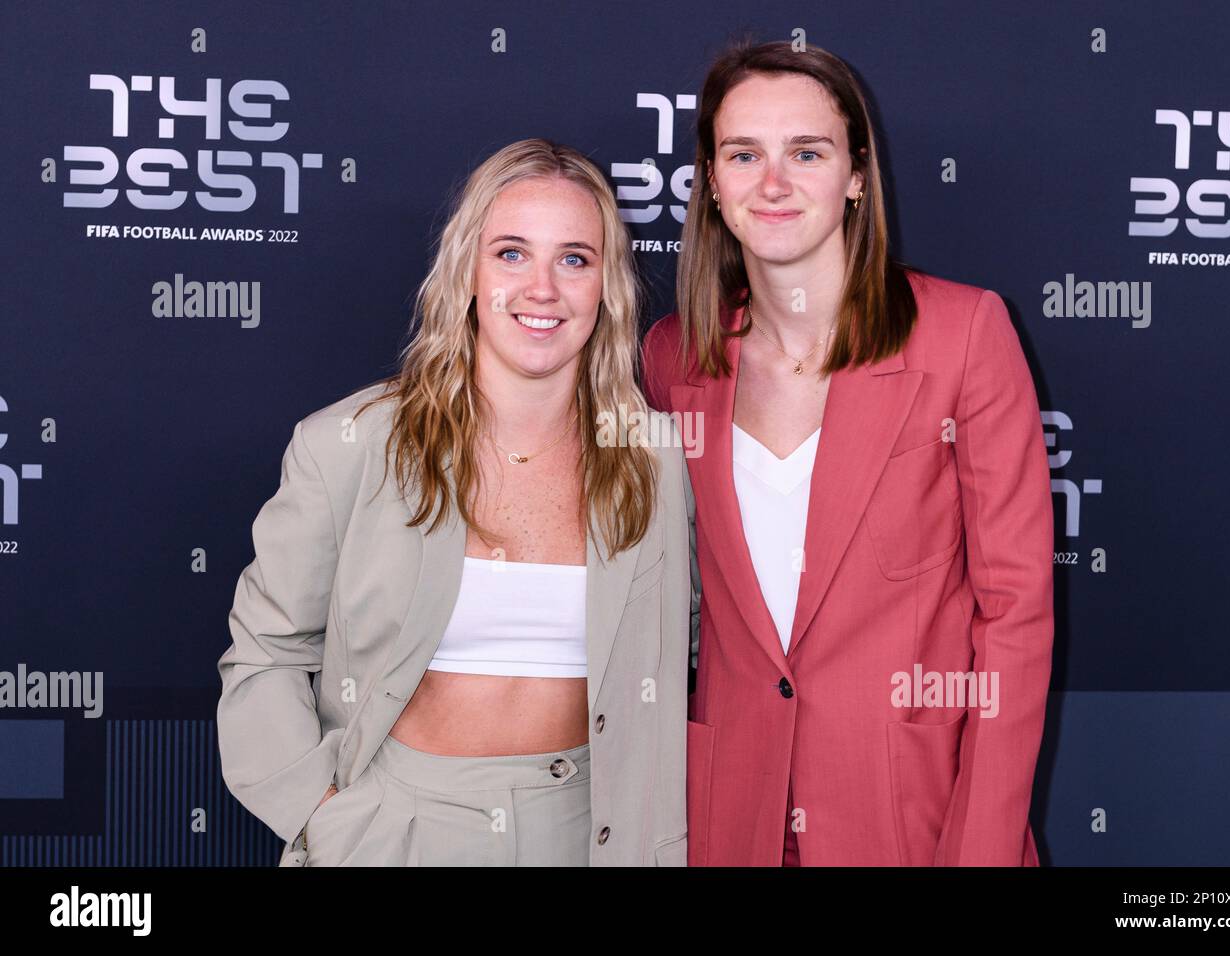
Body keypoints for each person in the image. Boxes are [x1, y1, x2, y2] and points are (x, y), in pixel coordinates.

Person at [217, 138, 692, 866]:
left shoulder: (659, 460)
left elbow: (703, 652)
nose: (542, 288)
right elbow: (265, 655)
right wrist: (324, 819)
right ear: (466, 269)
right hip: (395, 833)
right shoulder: (350, 445)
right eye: (510, 253)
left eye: (574, 258)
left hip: (598, 835)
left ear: (607, 286)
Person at [641, 41, 1054, 866]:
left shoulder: (964, 335)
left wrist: (981, 847)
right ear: (711, 183)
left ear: (856, 175)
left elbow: (1015, 615)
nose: (774, 181)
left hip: (911, 813)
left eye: (807, 152)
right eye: (743, 154)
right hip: (727, 818)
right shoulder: (672, 357)